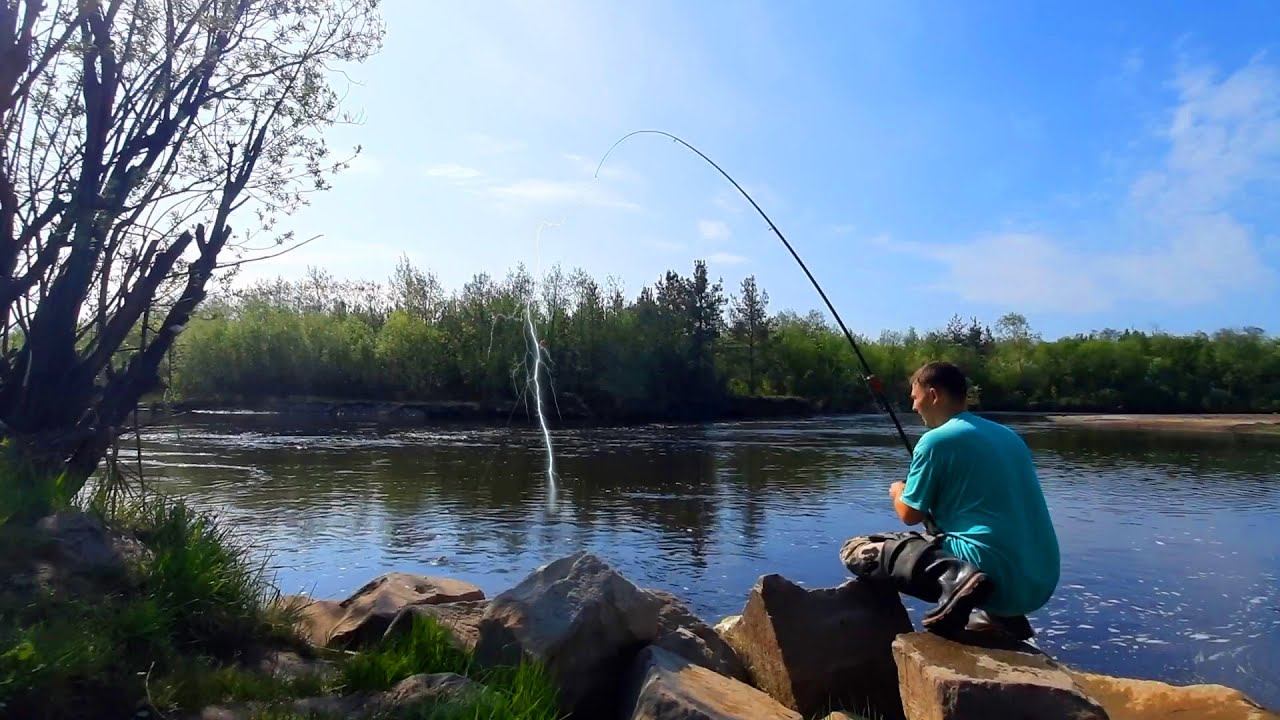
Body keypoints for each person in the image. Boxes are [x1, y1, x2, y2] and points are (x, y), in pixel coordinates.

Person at [840, 361, 1060, 638]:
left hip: (994, 573)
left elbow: (909, 515)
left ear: (933, 395)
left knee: (856, 549)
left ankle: (957, 580)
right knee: (955, 534)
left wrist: (898, 491)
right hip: (1037, 582)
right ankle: (1002, 618)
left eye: (915, 397)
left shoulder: (936, 441)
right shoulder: (1008, 435)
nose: (914, 407)